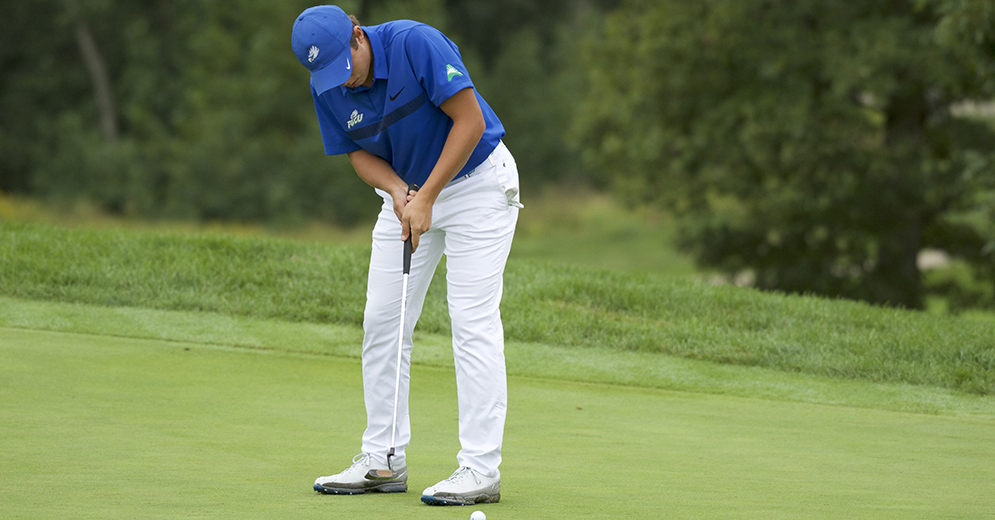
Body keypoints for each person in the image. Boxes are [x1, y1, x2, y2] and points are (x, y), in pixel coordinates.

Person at [290, 5, 522, 506]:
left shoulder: (416, 42)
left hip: (477, 185)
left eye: (343, 66)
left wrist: (429, 196)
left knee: (471, 321)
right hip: (408, 196)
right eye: (328, 76)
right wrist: (399, 191)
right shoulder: (326, 80)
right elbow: (357, 152)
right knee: (382, 320)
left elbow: (469, 120)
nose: (342, 83)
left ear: (358, 35)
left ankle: (480, 469)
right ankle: (383, 459)